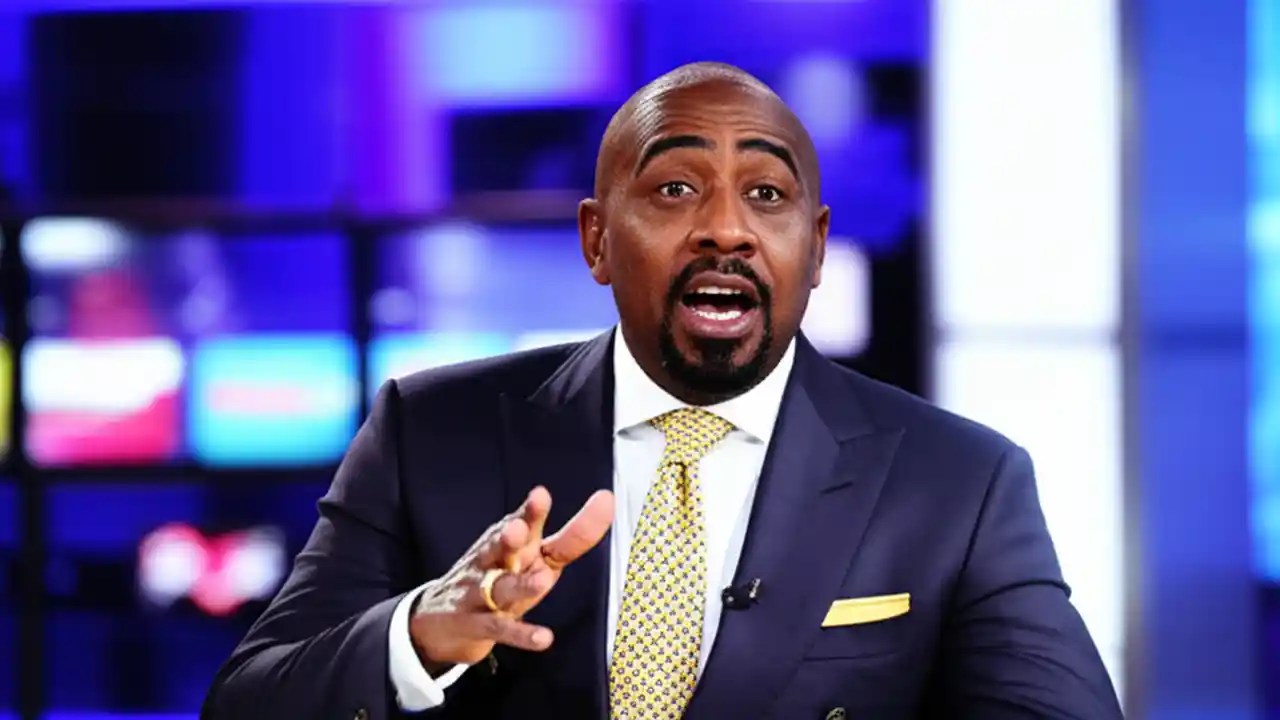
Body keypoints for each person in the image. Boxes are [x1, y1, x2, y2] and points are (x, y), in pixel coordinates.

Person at [202, 62, 1123, 720]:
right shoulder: (429, 432)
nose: (725, 229)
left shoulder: (959, 482)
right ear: (597, 240)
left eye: (767, 196)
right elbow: (249, 701)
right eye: (676, 187)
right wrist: (421, 636)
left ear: (817, 248)